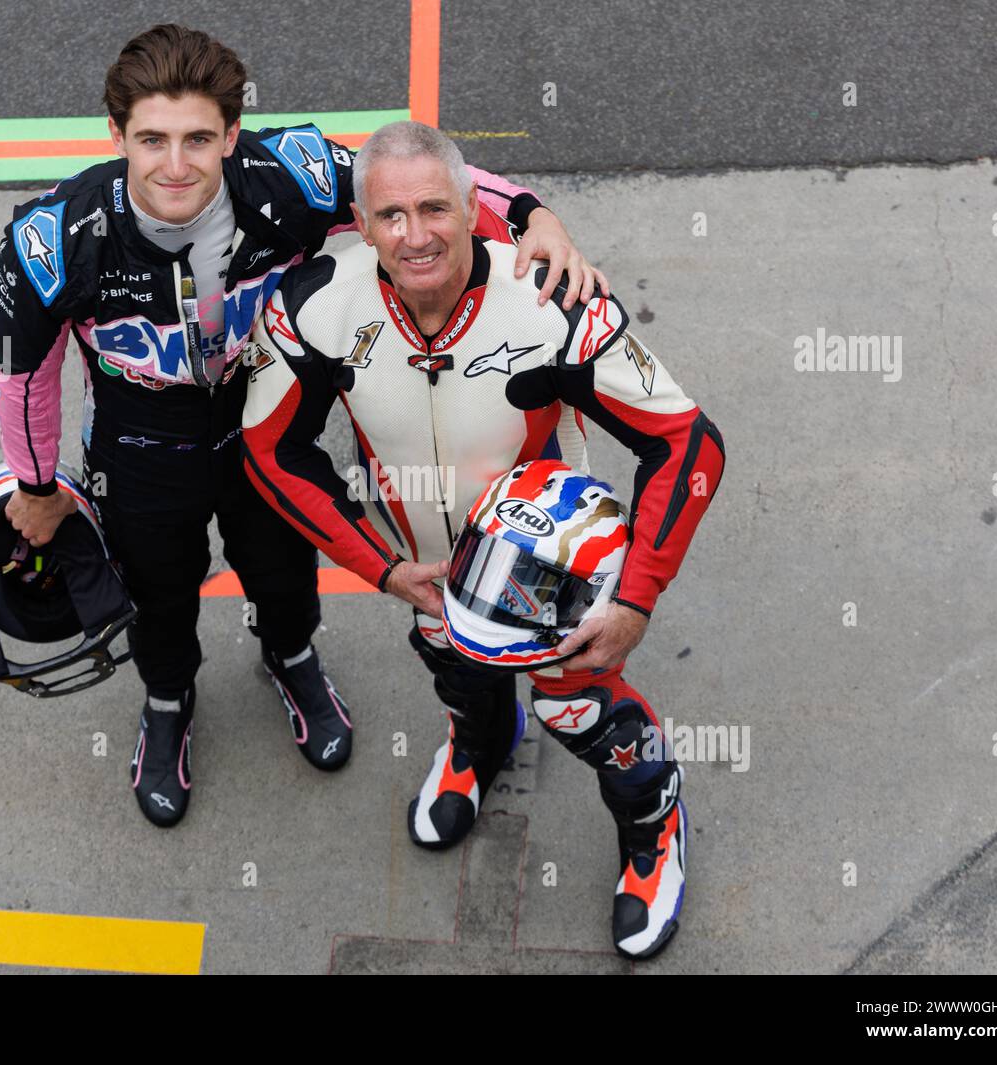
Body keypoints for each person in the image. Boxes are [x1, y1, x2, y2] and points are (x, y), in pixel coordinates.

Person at [0, 25, 606, 828]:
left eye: (199, 139)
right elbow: (22, 380)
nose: (176, 165)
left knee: (281, 565)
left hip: (263, 412)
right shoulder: (50, 241)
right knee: (158, 589)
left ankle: (291, 656)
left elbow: (410, 188)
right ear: (115, 136)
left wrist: (530, 216)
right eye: (152, 140)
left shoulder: (287, 174)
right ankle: (169, 699)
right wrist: (36, 490)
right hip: (141, 435)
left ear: (232, 134)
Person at [240, 121, 724, 958]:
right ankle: (481, 740)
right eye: (391, 216)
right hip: (423, 569)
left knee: (579, 705)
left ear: (473, 208)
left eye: (436, 208)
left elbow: (688, 443)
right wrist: (383, 567)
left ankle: (654, 817)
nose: (416, 234)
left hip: (545, 570)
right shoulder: (313, 305)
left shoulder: (553, 300)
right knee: (451, 664)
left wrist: (636, 596)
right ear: (361, 222)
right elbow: (269, 450)